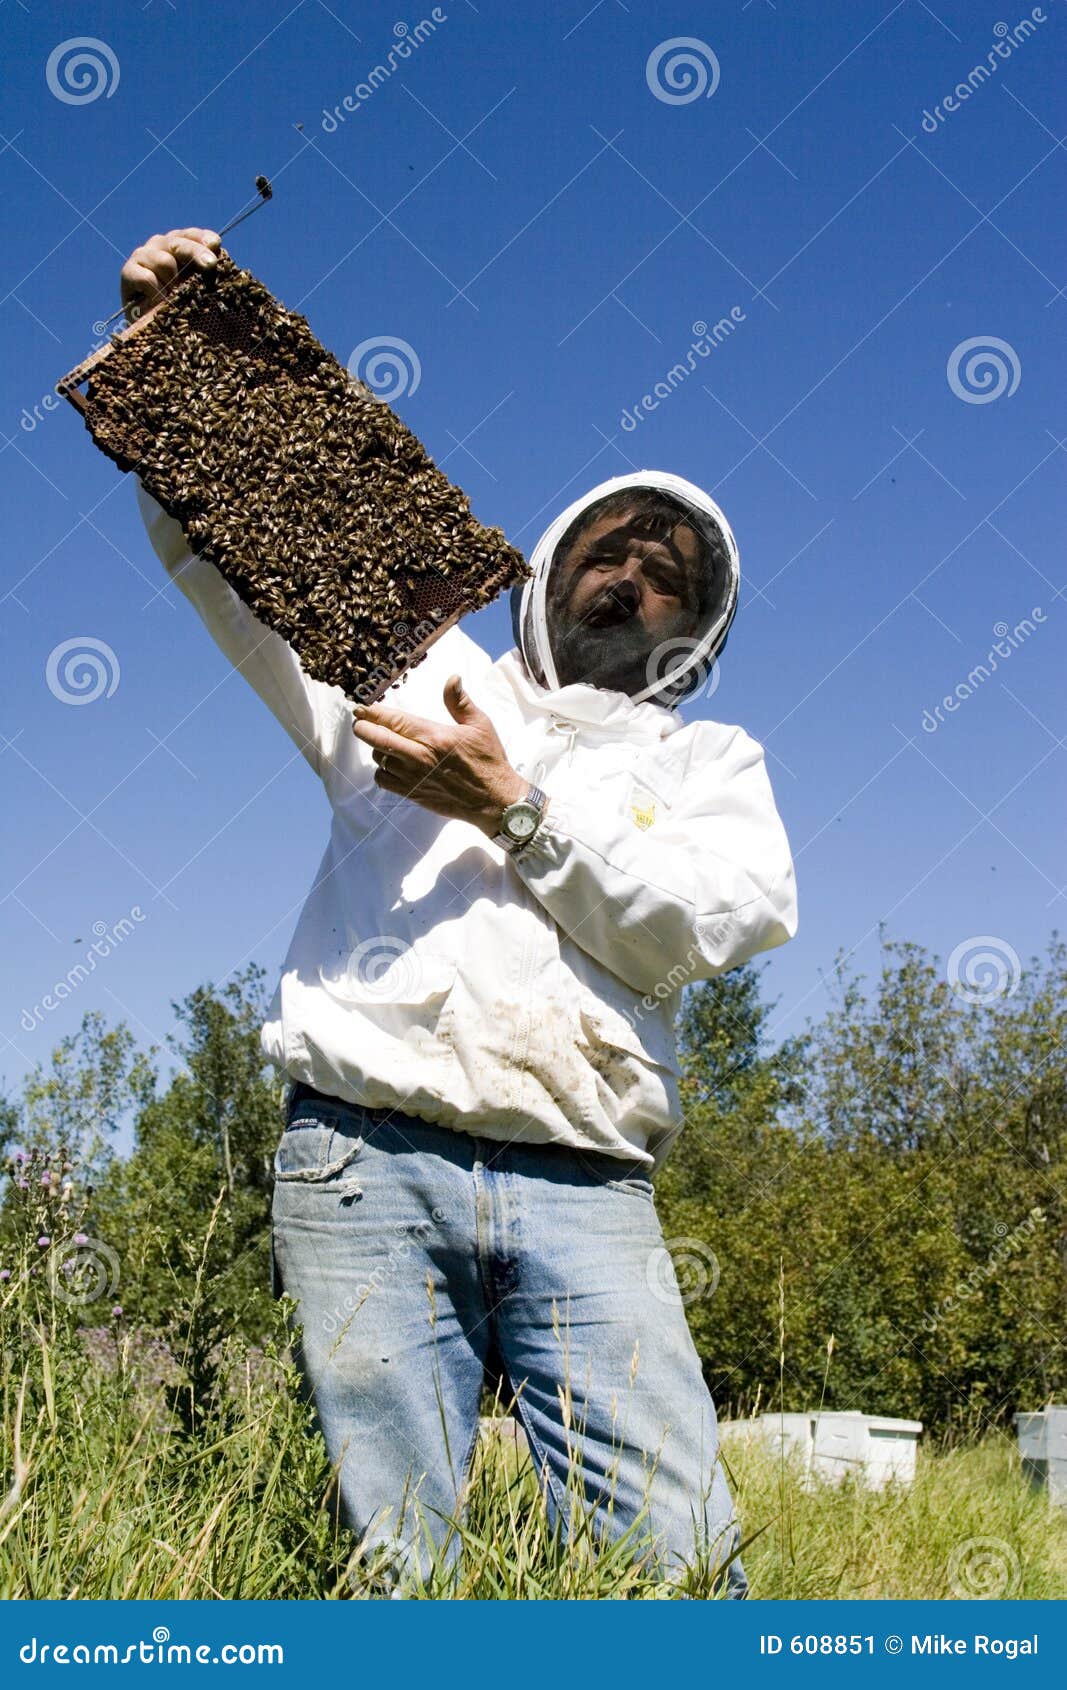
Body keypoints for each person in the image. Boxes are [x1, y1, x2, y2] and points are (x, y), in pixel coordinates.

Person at [121, 228, 798, 1595]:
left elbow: (703, 925)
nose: (631, 579)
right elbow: (243, 567)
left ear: (697, 629)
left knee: (677, 1567)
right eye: (612, 553)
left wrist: (514, 810)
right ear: (552, 568)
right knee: (398, 1567)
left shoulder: (711, 768)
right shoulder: (421, 666)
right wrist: (174, 359)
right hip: (364, 1157)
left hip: (584, 1175)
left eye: (666, 579)